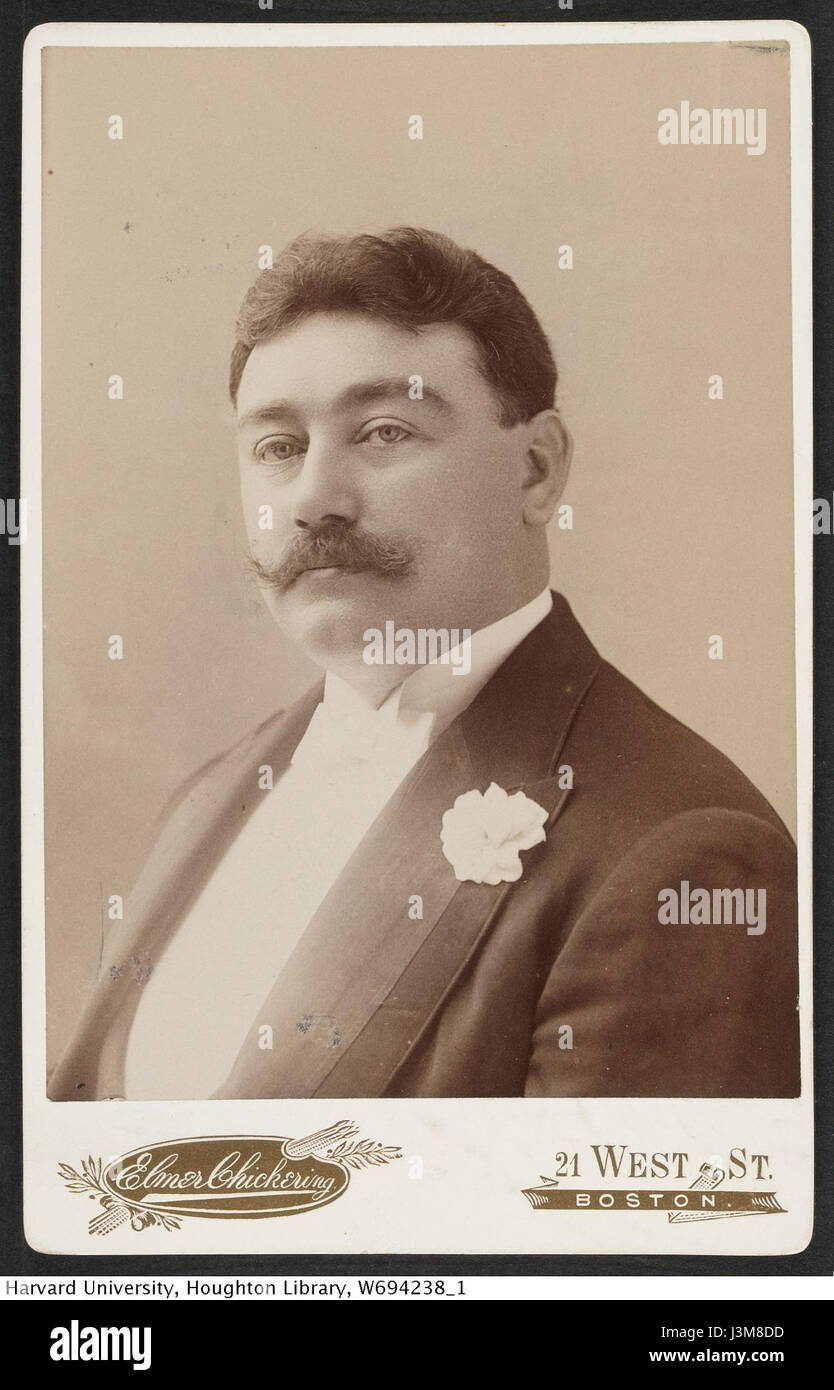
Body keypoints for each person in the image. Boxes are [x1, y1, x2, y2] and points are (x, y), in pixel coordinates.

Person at [48, 227, 799, 1102]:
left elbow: (593, 1241)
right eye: (278, 448)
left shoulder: (681, 853)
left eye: (383, 431)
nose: (313, 500)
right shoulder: (210, 797)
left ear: (537, 469)